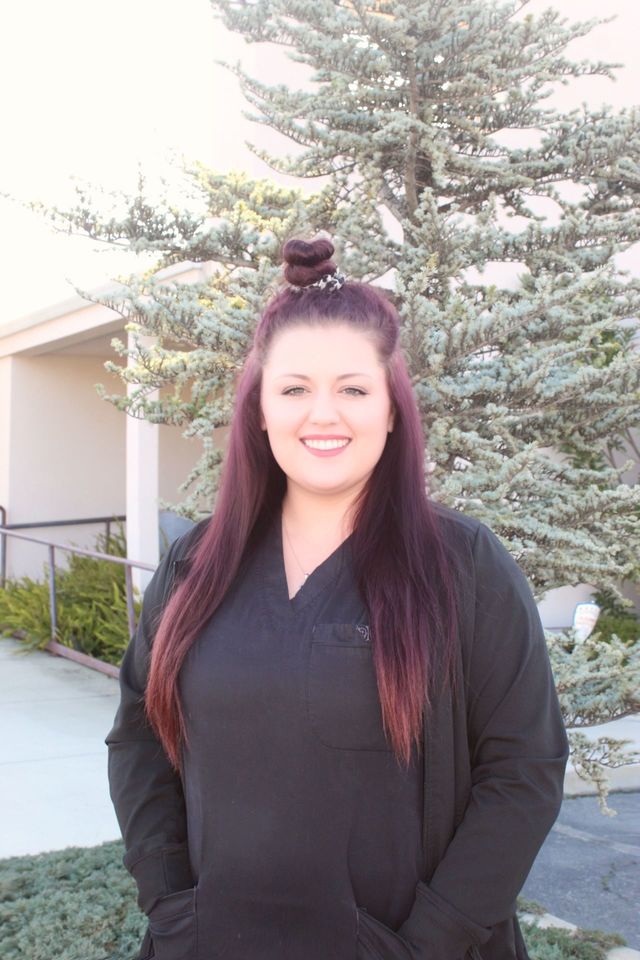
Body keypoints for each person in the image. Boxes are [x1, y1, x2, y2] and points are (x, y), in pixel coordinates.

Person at [106, 235, 569, 960]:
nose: (323, 414)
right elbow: (139, 735)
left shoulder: (462, 565)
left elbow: (524, 772)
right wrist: (168, 902)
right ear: (261, 410)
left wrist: (428, 943)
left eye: (353, 389)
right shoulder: (197, 564)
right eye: (294, 389)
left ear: (391, 410)